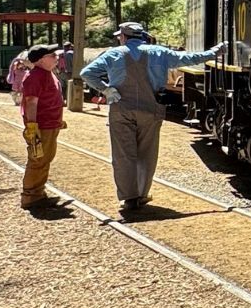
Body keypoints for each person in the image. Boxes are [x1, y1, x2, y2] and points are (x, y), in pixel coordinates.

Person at [80, 22, 223, 217]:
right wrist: (215, 52)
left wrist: (106, 89)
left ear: (123, 36)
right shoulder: (159, 52)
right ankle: (142, 193)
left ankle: (129, 198)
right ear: (142, 36)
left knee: (123, 154)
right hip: (151, 107)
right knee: (147, 153)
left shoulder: (113, 54)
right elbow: (190, 58)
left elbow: (86, 73)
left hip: (121, 108)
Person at [17, 44, 66, 209]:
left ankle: (38, 192)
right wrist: (32, 127)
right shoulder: (35, 76)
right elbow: (31, 102)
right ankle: (30, 195)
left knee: (45, 159)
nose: (56, 56)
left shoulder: (47, 73)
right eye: (52, 55)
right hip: (41, 127)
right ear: (40, 60)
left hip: (50, 125)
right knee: (38, 160)